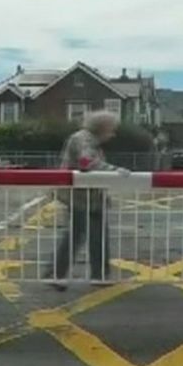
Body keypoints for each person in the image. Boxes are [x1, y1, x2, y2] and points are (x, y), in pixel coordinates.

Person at [47, 110, 130, 290]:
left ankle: (93, 275)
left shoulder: (87, 139)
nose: (113, 134)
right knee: (78, 235)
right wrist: (115, 170)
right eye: (111, 130)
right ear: (102, 128)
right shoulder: (84, 140)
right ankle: (58, 274)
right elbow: (87, 161)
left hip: (90, 197)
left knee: (93, 236)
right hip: (80, 198)